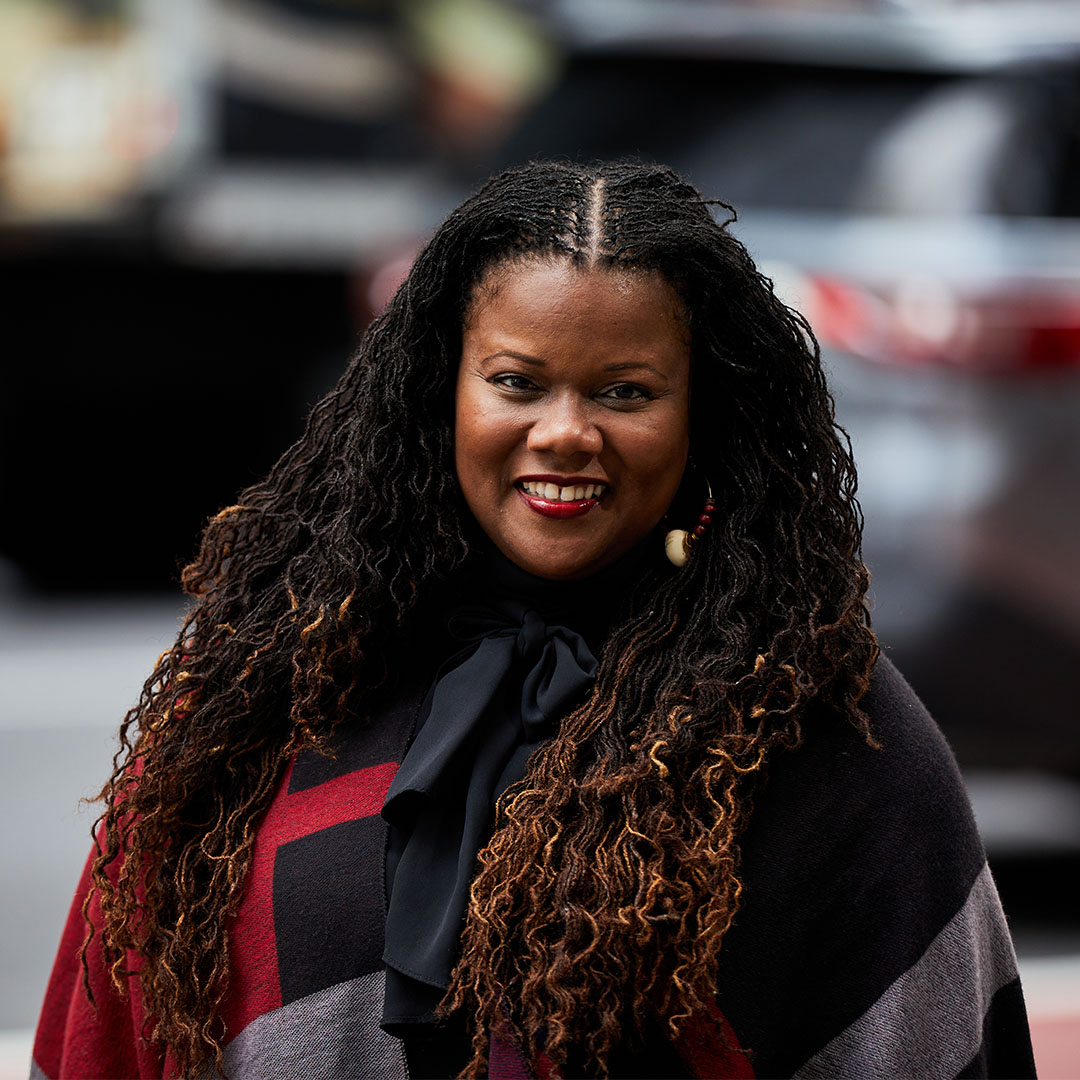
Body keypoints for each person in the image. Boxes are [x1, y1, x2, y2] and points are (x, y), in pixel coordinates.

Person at [31, 161, 1034, 1080]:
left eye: (625, 392)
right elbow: (105, 1038)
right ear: (442, 394)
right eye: (516, 381)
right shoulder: (269, 690)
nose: (565, 432)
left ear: (703, 419)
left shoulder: (832, 740)